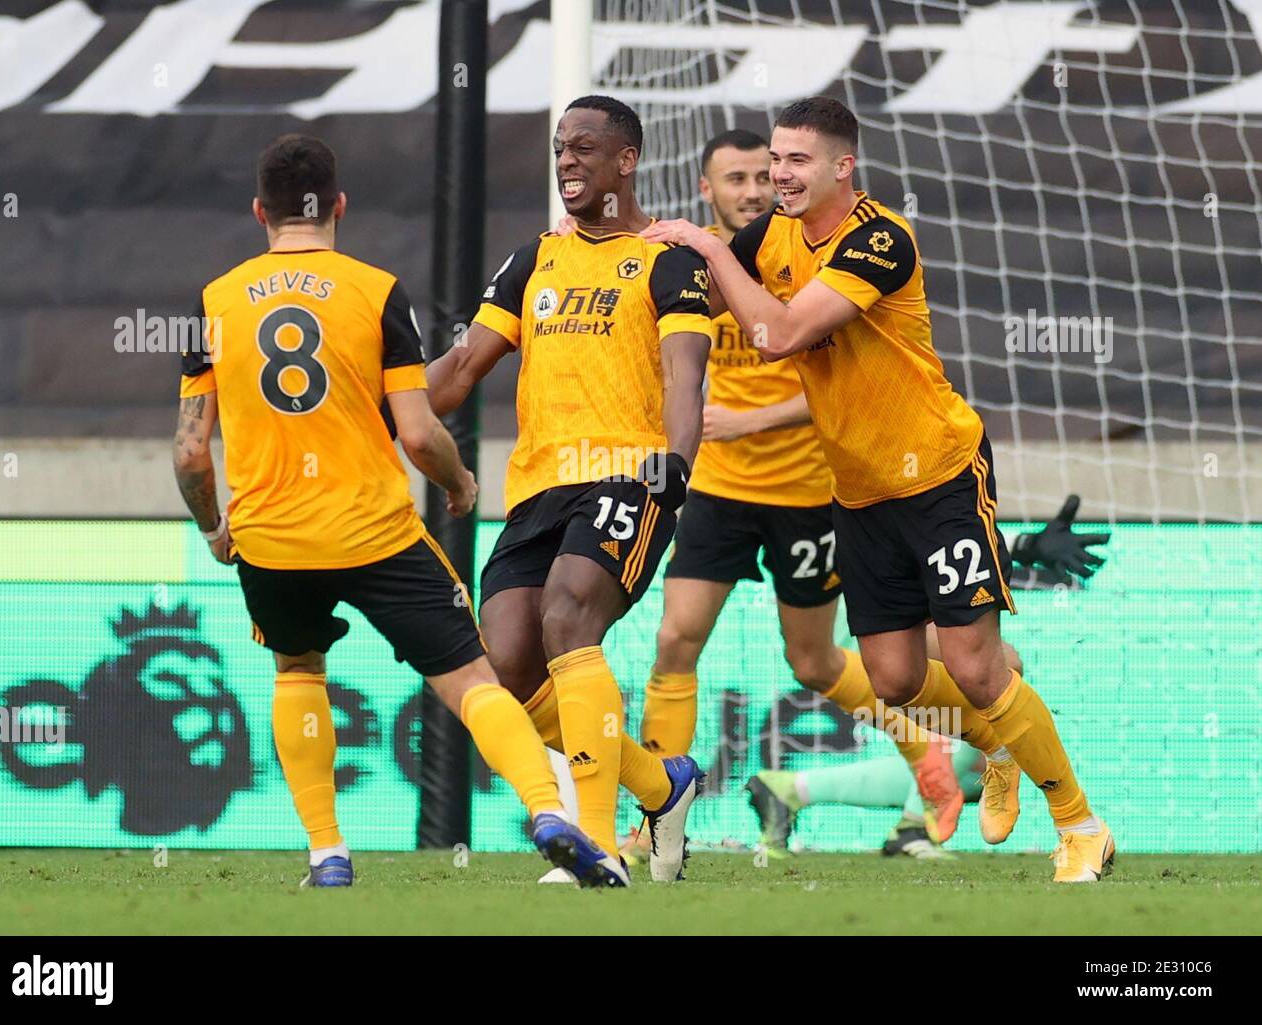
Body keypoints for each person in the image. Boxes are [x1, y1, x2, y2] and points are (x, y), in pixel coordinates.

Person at [644, 98, 1114, 882]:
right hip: (857, 490)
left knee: (972, 665)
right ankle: (996, 739)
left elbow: (781, 333)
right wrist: (638, 257)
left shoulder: (881, 237)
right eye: (772, 162)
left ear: (842, 167)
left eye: (794, 162)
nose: (778, 178)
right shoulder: (770, 237)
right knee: (894, 678)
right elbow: (707, 294)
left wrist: (705, 244)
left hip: (937, 473)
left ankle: (1079, 824)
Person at [173, 134, 617, 888]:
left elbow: (189, 453)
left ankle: (329, 854)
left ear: (259, 213)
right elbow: (417, 431)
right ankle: (549, 811)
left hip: (273, 540)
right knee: (475, 682)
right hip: (375, 532)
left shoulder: (213, 301)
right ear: (339, 205)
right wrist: (460, 483)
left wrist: (216, 527)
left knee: (297, 670)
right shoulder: (376, 291)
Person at [626, 128, 965, 862]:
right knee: (674, 639)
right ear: (704, 192)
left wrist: (747, 419)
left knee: (812, 660)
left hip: (810, 485)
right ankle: (655, 814)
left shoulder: (811, 254)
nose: (753, 188)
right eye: (737, 178)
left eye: (764, 173)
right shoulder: (702, 272)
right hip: (719, 486)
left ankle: (924, 749)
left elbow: (837, 386)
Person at [425, 97, 713, 881]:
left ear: (627, 160)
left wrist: (674, 470)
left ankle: (597, 840)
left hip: (632, 472)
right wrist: (372, 418)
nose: (567, 161)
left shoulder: (669, 261)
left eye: (585, 146)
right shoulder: (533, 261)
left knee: (567, 615)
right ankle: (662, 783)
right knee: (508, 669)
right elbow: (456, 373)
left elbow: (684, 376)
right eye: (560, 148)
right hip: (538, 489)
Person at [747, 495, 1111, 858]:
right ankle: (915, 826)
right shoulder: (844, 469)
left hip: (862, 619)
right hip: (863, 625)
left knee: (974, 771)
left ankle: (790, 790)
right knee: (998, 674)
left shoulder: (896, 471)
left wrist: (1025, 545)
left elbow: (929, 529)